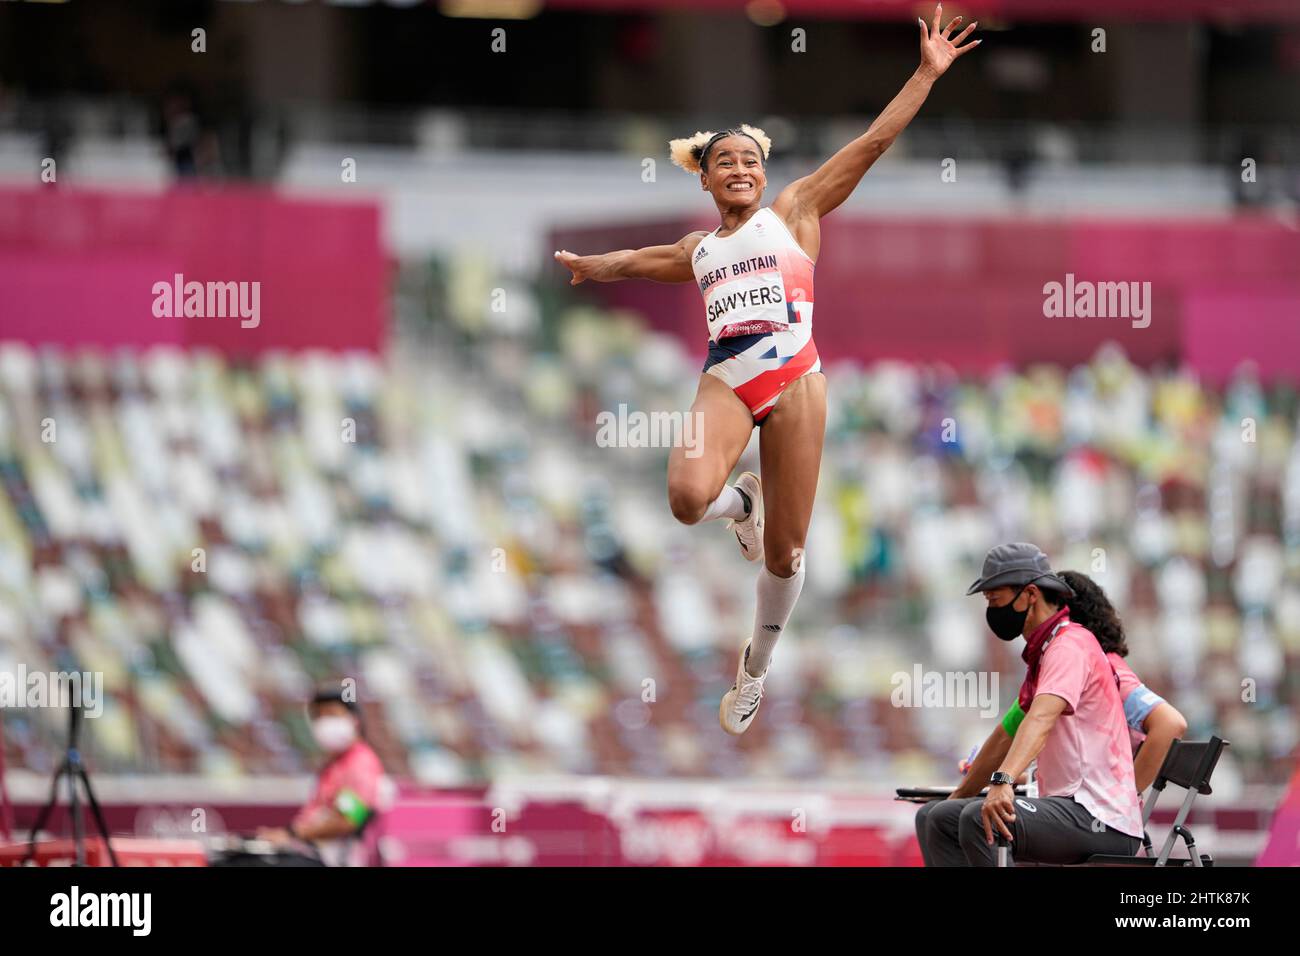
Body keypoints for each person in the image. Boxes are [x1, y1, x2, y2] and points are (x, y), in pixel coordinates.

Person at [556, 5, 981, 734]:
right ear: (708, 181)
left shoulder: (796, 211)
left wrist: (924, 74)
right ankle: (737, 507)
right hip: (727, 377)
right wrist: (591, 268)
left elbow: (874, 143)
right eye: (728, 162)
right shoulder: (699, 249)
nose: (743, 169)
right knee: (688, 498)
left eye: (752, 159)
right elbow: (635, 260)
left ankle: (753, 671)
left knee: (785, 557)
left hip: (796, 380)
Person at [914, 543, 1144, 866]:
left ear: (1030, 594)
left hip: (1101, 817)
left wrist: (1003, 781)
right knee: (936, 818)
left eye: (996, 599)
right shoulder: (1044, 653)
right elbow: (1005, 737)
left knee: (978, 821)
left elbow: (1041, 718)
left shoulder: (1069, 645)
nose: (991, 609)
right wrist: (959, 795)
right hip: (1069, 810)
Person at [254, 687, 386, 866]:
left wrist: (292, 834)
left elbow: (349, 820)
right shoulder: (333, 765)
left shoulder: (360, 763)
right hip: (313, 853)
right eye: (319, 716)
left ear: (354, 720)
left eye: (332, 714)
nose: (325, 722)